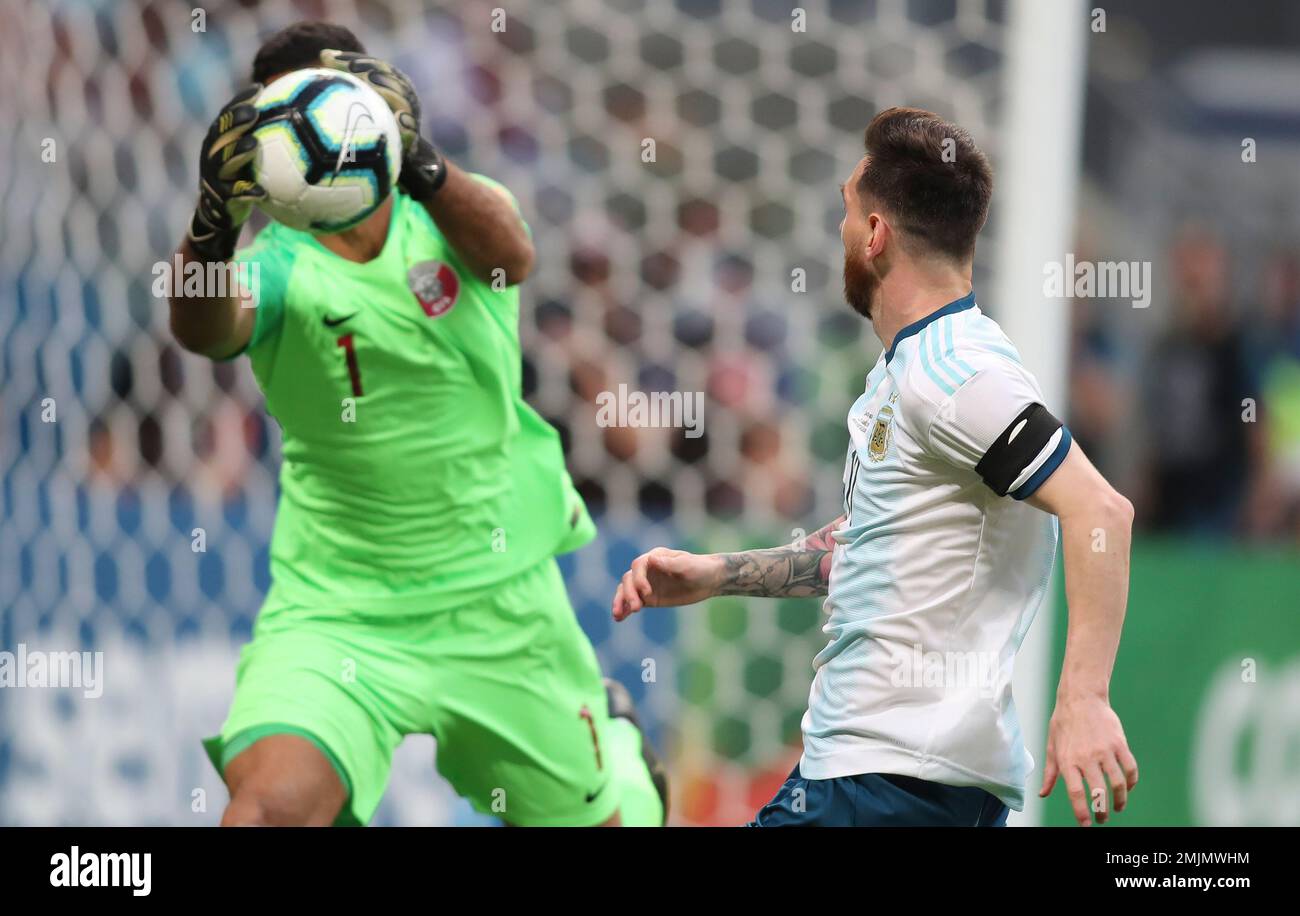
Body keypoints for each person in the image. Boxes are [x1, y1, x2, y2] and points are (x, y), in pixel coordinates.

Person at [168, 20, 665, 827]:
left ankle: (629, 772)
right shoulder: (272, 269)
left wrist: (422, 160)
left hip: (498, 597)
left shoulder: (455, 218)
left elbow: (513, 258)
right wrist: (211, 223)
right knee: (265, 812)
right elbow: (203, 332)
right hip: (341, 609)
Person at [612, 107, 1138, 827]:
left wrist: (1083, 697)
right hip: (889, 776)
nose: (840, 231)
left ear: (877, 234)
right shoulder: (919, 369)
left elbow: (1101, 511)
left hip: (888, 776)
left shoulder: (955, 372)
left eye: (846, 210)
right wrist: (719, 574)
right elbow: (875, 546)